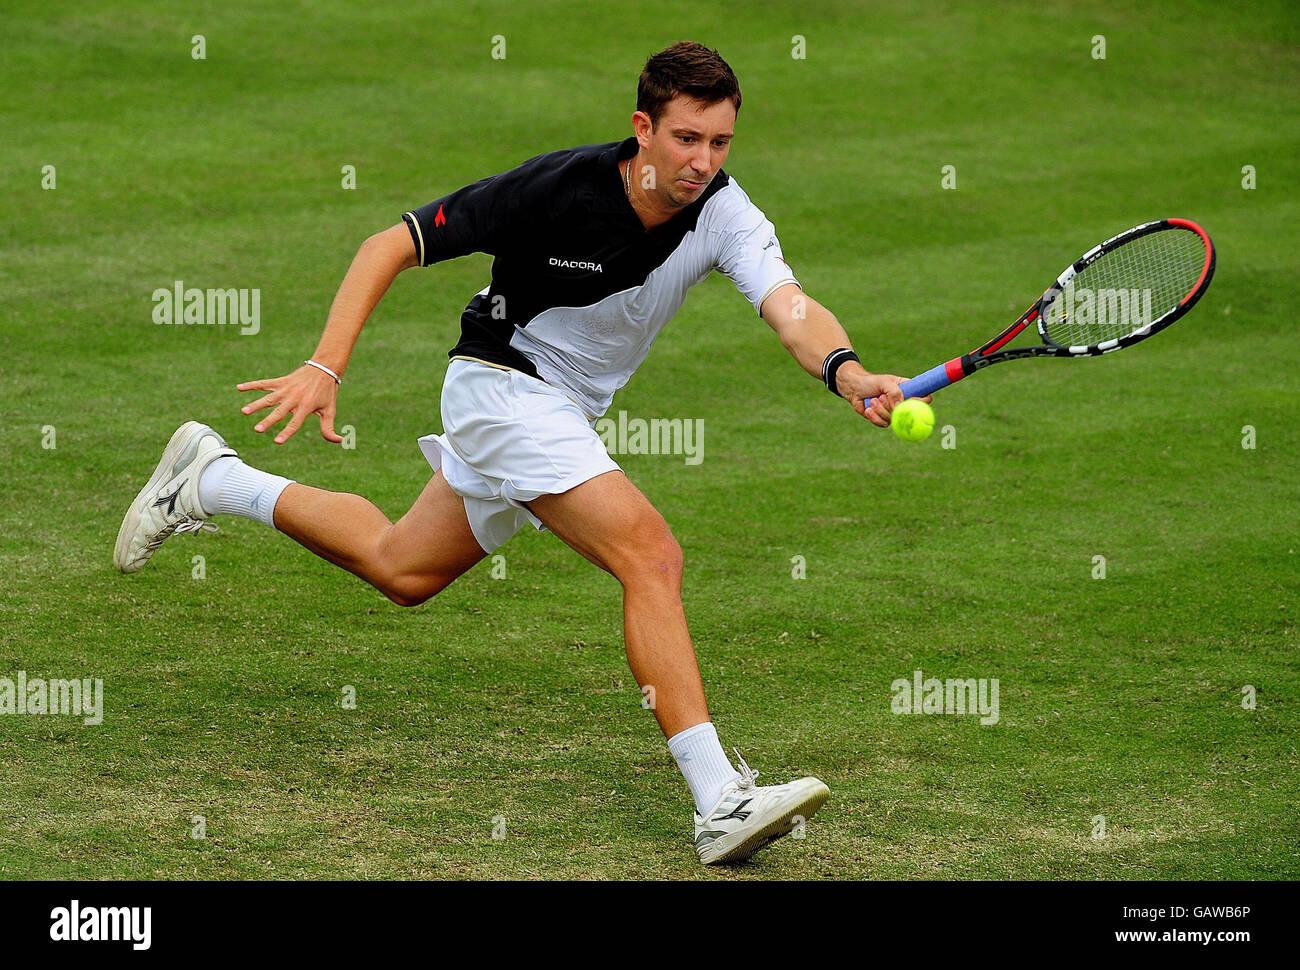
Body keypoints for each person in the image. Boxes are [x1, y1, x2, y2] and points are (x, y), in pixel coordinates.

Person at [114, 41, 921, 865]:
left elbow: (790, 306)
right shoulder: (555, 189)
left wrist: (843, 369)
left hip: (563, 410)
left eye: (720, 144)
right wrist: (326, 365)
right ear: (642, 129)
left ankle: (213, 478)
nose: (702, 162)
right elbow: (385, 245)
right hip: (501, 388)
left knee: (403, 569)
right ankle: (719, 799)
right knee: (651, 555)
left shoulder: (725, 212)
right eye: (686, 139)